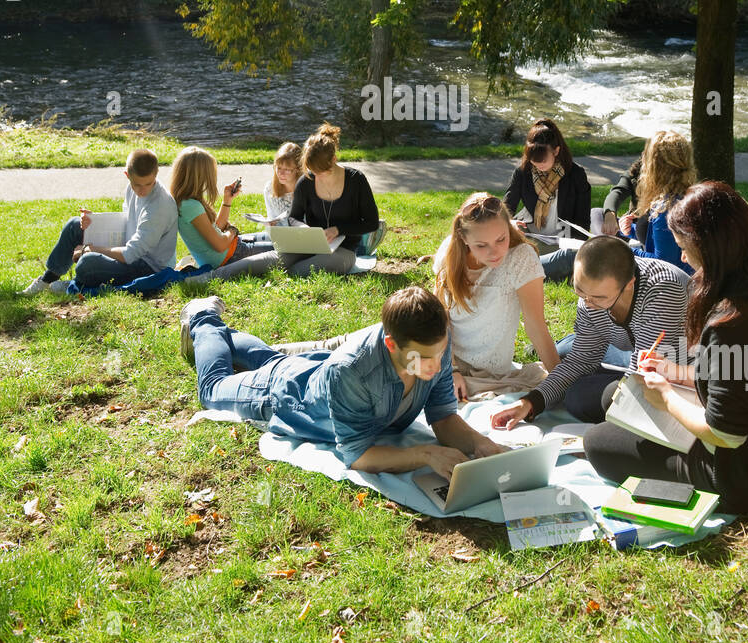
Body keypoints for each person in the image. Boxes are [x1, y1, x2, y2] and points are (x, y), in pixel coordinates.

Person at [584, 182, 748, 514]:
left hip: (744, 476)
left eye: (684, 247)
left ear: (710, 247)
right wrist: (674, 372)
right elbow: (747, 374)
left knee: (597, 444)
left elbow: (725, 433)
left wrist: (668, 397)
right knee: (614, 397)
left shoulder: (732, 322)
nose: (681, 256)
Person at [179, 285, 508, 476]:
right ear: (391, 344)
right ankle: (202, 317)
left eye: (440, 355)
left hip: (312, 371)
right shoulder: (352, 372)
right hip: (280, 396)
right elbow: (357, 455)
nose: (437, 367)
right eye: (423, 359)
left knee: (272, 360)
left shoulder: (433, 341)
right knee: (212, 390)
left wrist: (481, 445)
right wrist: (425, 455)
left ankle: (221, 336)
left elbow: (443, 416)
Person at [491, 236, 691, 426]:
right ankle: (570, 345)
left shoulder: (664, 293)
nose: (588, 303)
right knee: (567, 361)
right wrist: (531, 402)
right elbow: (580, 362)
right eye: (580, 291)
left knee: (582, 396)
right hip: (631, 349)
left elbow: (643, 375)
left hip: (682, 365)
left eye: (598, 297)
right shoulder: (591, 300)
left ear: (629, 284)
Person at [433, 193, 561, 402]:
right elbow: (440, 319)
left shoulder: (521, 258)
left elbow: (536, 326)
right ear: (463, 238)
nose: (494, 252)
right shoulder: (449, 253)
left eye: (501, 239)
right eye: (481, 245)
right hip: (448, 363)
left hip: (492, 374)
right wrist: (451, 370)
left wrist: (560, 381)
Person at [22, 148, 178, 295]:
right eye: (137, 184)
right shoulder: (131, 189)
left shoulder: (159, 207)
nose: (142, 190)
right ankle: (46, 280)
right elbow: (126, 221)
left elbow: (131, 253)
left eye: (148, 184)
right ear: (127, 175)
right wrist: (95, 222)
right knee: (74, 226)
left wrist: (90, 249)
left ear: (156, 175)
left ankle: (74, 284)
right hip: (129, 250)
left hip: (149, 266)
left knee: (87, 263)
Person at [282, 122, 380, 278]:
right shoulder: (306, 180)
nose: (317, 177)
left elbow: (372, 222)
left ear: (334, 159)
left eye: (322, 172)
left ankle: (284, 276)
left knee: (322, 263)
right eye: (313, 172)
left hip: (344, 250)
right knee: (274, 259)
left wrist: (338, 230)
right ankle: (228, 271)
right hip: (310, 244)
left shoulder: (356, 180)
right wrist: (305, 229)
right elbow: (294, 217)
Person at [502, 118, 592, 282]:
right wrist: (510, 222)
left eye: (542, 159)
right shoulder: (523, 173)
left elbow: (583, 223)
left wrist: (572, 243)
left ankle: (521, 271)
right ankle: (533, 270)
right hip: (531, 239)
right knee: (506, 244)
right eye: (533, 160)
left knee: (570, 256)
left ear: (556, 151)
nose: (537, 165)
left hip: (563, 243)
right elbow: (506, 208)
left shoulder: (576, 175)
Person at [169, 147, 277, 272]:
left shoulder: (186, 201)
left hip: (233, 249)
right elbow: (220, 245)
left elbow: (216, 229)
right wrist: (232, 230)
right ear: (201, 176)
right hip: (230, 256)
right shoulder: (191, 206)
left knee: (277, 237)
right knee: (286, 248)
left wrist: (227, 200)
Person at [617, 130, 695, 275]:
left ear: (654, 167)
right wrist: (630, 230)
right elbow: (665, 242)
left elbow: (663, 263)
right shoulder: (687, 195)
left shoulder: (667, 207)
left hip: (675, 287)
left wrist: (622, 250)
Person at [600, 158, 641, 237]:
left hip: (646, 231)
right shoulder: (637, 171)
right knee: (596, 213)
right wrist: (610, 214)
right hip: (629, 227)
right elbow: (618, 192)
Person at [263, 142, 302, 223]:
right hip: (278, 234)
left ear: (298, 169)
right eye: (279, 168)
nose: (281, 173)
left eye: (287, 169)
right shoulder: (269, 188)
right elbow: (271, 217)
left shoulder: (308, 188)